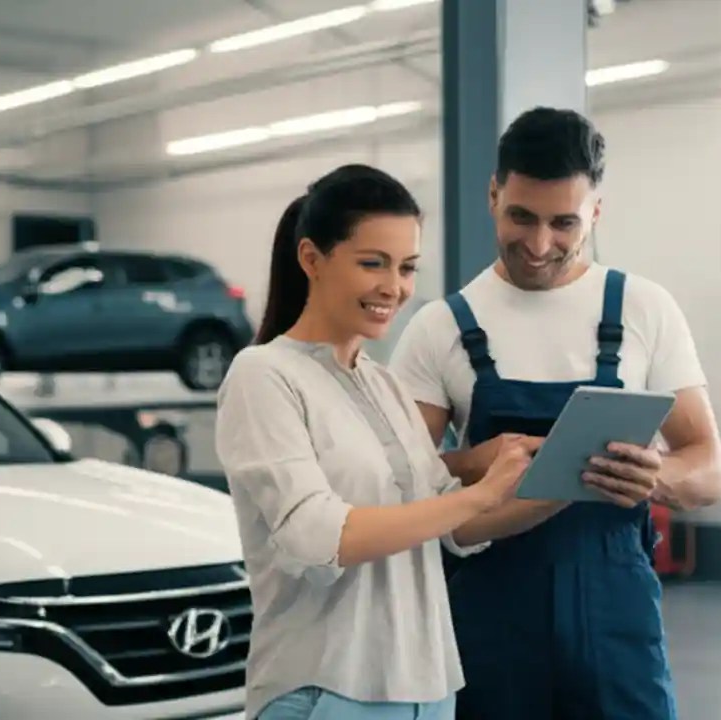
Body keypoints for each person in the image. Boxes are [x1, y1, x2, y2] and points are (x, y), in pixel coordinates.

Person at [389, 107, 721, 719]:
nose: (539, 244)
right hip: (490, 616)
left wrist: (657, 474)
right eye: (521, 216)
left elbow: (710, 470)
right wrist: (478, 461)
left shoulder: (644, 310)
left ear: (595, 212)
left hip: (616, 614)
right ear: (494, 194)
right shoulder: (439, 329)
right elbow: (397, 484)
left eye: (564, 223)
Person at [214, 163, 542, 720]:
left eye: (407, 267)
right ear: (312, 259)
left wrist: (571, 476)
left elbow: (453, 526)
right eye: (373, 263)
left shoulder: (383, 381)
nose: (395, 287)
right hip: (329, 689)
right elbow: (318, 537)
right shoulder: (262, 375)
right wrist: (475, 494)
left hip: (428, 686)